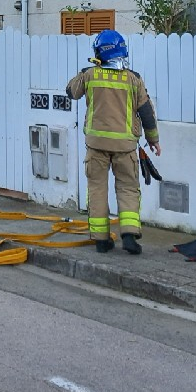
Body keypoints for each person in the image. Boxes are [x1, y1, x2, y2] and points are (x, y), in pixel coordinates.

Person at [65, 30, 162, 255]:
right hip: (125, 146)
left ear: (99, 52)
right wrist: (153, 140)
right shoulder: (133, 79)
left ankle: (101, 240)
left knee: (97, 188)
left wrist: (84, 71)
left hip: (96, 144)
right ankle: (129, 235)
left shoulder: (90, 75)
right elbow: (146, 112)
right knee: (128, 188)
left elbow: (71, 91)